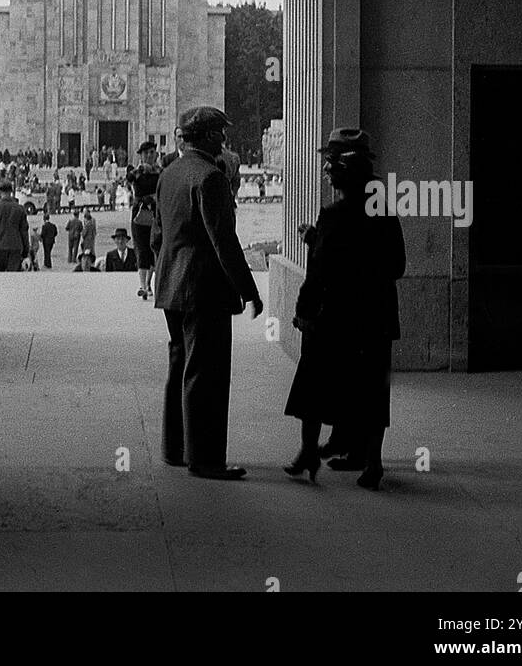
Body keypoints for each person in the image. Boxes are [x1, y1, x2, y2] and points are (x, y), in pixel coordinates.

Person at [283, 128, 406, 490]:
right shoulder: (383, 207)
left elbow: (320, 272)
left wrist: (305, 311)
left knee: (313, 383)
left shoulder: (334, 215)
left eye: (330, 164)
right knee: (371, 387)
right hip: (376, 315)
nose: (325, 170)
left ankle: (308, 453)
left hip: (334, 315)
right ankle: (372, 463)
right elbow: (395, 264)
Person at [152, 106, 262, 480]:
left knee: (180, 364)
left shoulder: (167, 174)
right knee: (208, 373)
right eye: (221, 134)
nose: (225, 140)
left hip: (171, 286)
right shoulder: (211, 178)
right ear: (211, 137)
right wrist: (249, 290)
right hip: (203, 289)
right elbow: (224, 242)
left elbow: (157, 237)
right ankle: (206, 458)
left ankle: (174, 449)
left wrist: (165, 273)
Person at [126, 142, 160, 300]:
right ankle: (143, 285)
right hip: (139, 212)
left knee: (153, 245)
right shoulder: (136, 172)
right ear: (140, 155)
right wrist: (140, 169)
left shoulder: (160, 172)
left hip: (155, 211)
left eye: (152, 152)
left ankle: (148, 283)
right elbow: (129, 178)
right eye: (145, 153)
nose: (149, 156)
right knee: (140, 246)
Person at [0, 181, 29, 272]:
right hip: (16, 246)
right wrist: (25, 251)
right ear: (11, 192)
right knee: (13, 277)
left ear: (0, 192)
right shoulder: (20, 209)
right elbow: (24, 231)